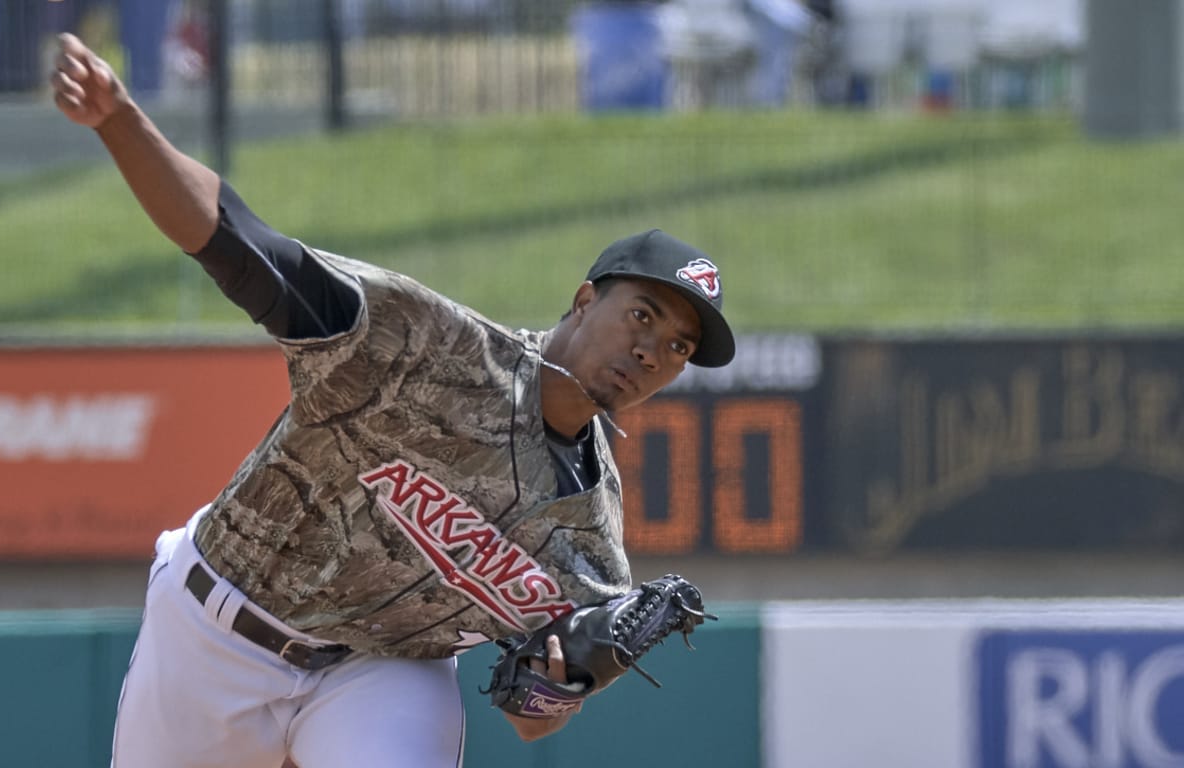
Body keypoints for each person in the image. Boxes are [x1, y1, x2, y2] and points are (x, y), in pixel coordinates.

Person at [49, 32, 736, 768]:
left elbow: (529, 716)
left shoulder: (590, 543)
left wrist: (564, 682)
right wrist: (119, 120)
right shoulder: (426, 347)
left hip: (383, 670)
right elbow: (238, 243)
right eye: (642, 316)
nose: (652, 351)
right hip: (217, 627)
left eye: (678, 347)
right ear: (583, 299)